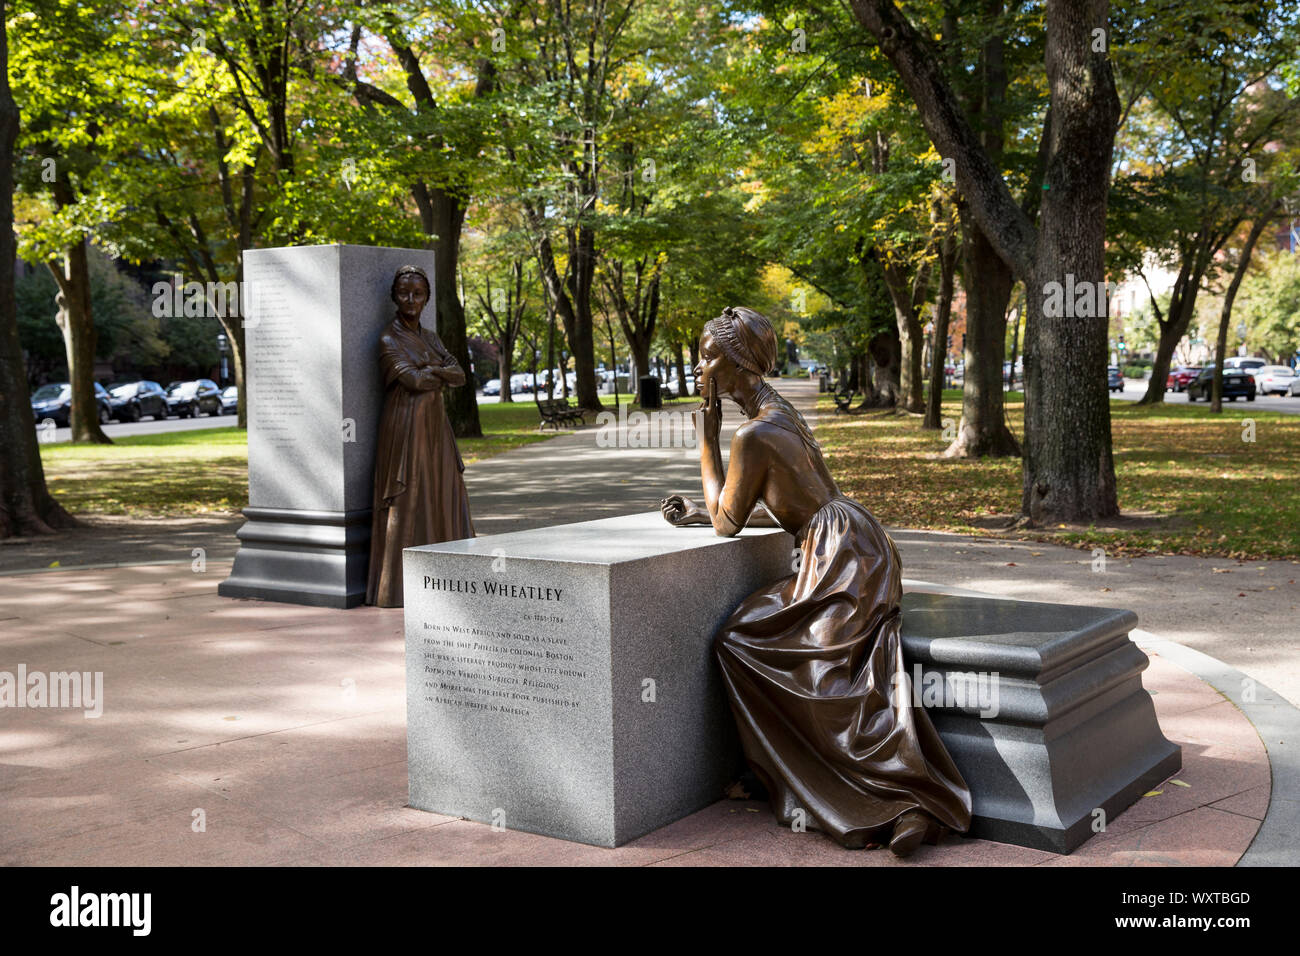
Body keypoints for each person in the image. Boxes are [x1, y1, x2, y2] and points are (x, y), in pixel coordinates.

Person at [660, 306, 971, 857]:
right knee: (783, 649)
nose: (700, 366)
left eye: (709, 355)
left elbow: (726, 521)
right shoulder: (778, 410)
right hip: (853, 540)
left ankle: (902, 800)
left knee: (789, 658)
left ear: (737, 364)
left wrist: (706, 438)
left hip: (841, 558)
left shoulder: (752, 434)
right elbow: (787, 504)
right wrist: (701, 510)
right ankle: (826, 784)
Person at [366, 265, 474, 607]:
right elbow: (415, 381)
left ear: (427, 297)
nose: (410, 300)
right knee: (408, 497)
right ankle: (397, 587)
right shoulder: (388, 338)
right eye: (403, 293)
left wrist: (433, 369)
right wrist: (436, 371)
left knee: (442, 490)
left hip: (435, 426)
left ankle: (447, 573)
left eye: (418, 293)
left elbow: (459, 374)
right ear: (394, 296)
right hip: (405, 426)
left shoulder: (431, 337)